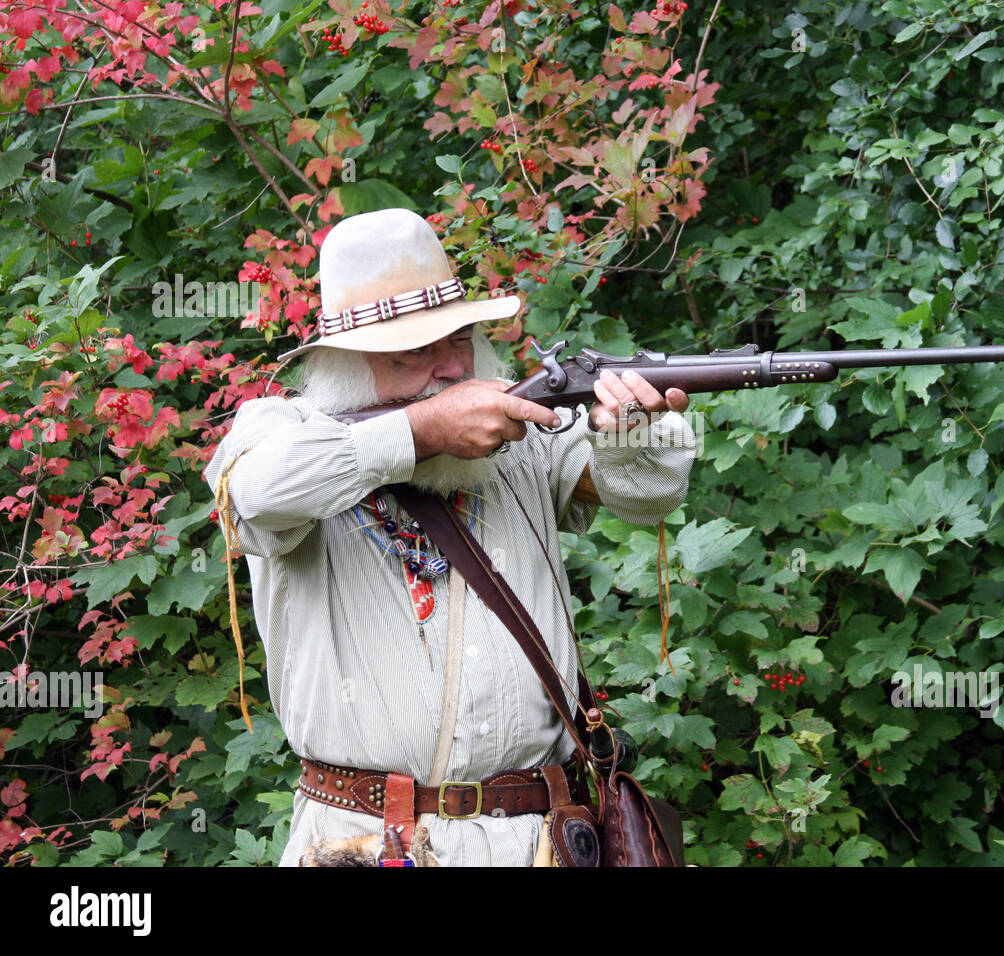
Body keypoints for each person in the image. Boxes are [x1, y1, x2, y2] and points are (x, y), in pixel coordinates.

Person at [203, 208, 696, 866]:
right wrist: (421, 433)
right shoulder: (282, 432)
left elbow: (651, 491)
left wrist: (630, 425)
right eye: (413, 352)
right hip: (364, 843)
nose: (447, 369)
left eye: (456, 340)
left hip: (541, 842)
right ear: (349, 364)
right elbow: (255, 495)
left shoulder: (518, 439)